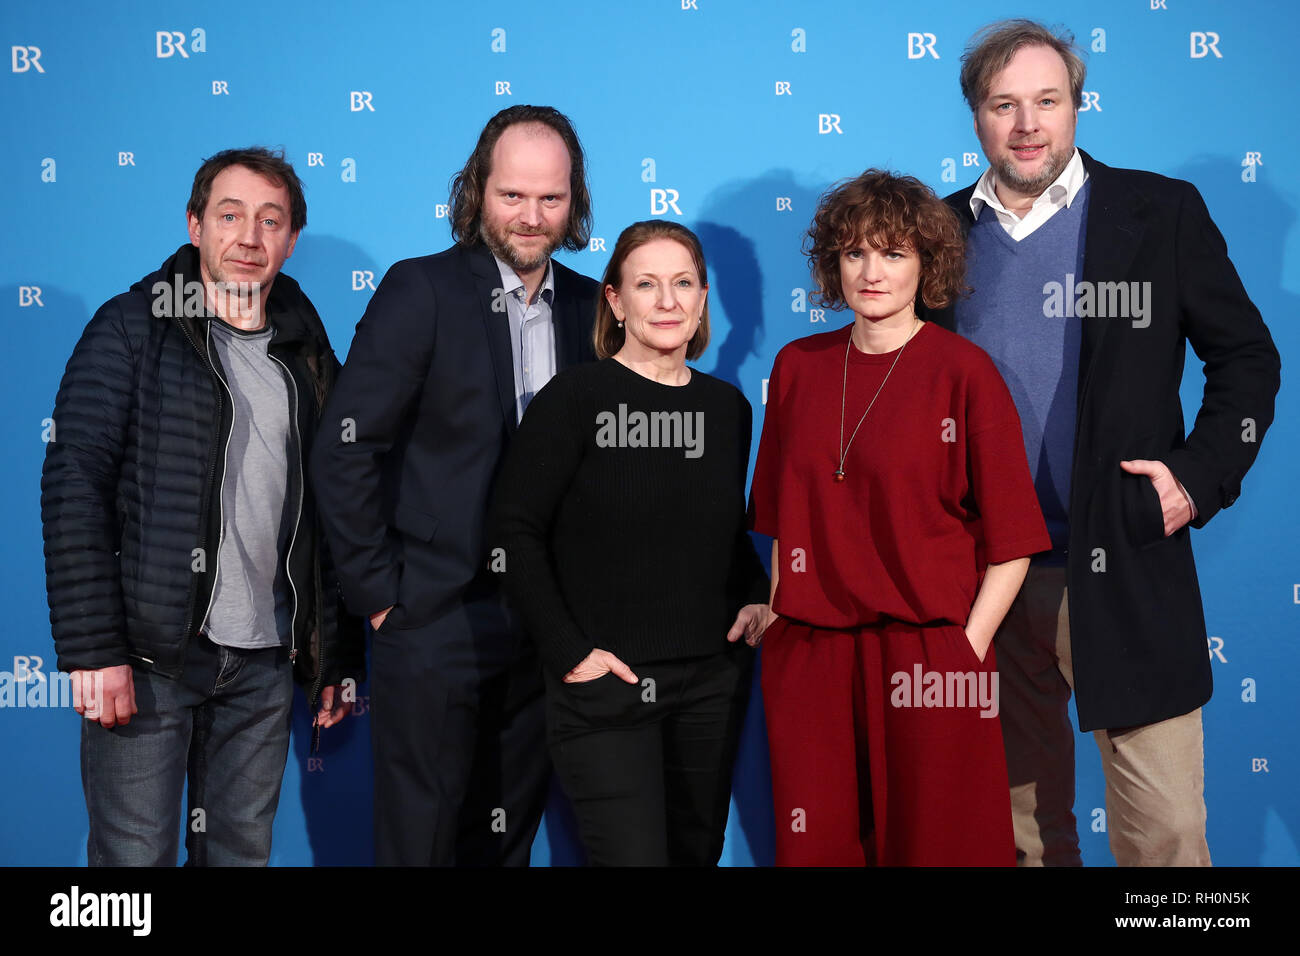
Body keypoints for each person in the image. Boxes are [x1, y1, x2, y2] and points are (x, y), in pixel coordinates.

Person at [924, 19, 1280, 866]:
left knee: (1166, 838)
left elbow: (1247, 358)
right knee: (1019, 836)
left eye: (1047, 101)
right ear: (974, 115)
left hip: (1123, 558)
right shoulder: (932, 233)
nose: (1027, 124)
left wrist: (1197, 477)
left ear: (1078, 107)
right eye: (1003, 104)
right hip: (984, 576)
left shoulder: (1158, 213)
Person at [41, 146, 364, 866]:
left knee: (240, 855)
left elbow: (334, 519)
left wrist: (335, 654)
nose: (249, 237)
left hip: (264, 668)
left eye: (270, 220)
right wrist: (93, 649)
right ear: (195, 225)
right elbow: (74, 486)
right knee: (133, 863)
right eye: (230, 215)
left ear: (290, 240)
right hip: (150, 658)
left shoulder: (309, 352)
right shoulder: (132, 327)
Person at [311, 105, 600, 866]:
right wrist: (380, 596)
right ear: (478, 192)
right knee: (421, 841)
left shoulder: (591, 306)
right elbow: (345, 448)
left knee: (506, 836)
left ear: (574, 202)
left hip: (543, 621)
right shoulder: (422, 290)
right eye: (513, 195)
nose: (532, 217)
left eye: (551, 198)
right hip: (433, 616)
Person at [749, 170, 1051, 866]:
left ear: (927, 264)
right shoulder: (797, 366)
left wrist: (964, 648)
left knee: (942, 850)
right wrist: (779, 613)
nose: (871, 272)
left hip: (929, 655)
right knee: (820, 851)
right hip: (813, 658)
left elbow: (1013, 542)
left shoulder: (964, 372)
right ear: (834, 264)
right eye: (854, 253)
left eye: (893, 253)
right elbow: (780, 524)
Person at [490, 220, 770, 866]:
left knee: (695, 855)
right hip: (606, 687)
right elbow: (513, 531)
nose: (667, 301)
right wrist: (570, 653)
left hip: (710, 684)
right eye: (647, 285)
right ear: (615, 300)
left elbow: (724, 534)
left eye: (682, 284)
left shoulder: (728, 410)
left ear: (703, 298)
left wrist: (757, 595)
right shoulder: (575, 399)